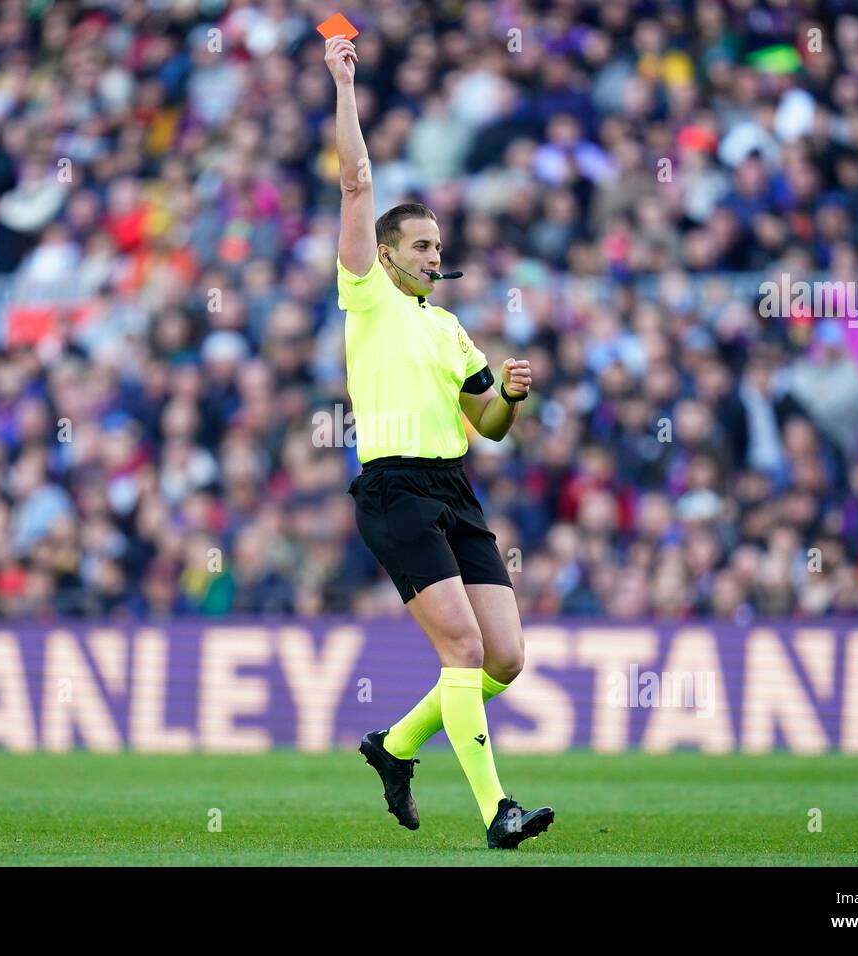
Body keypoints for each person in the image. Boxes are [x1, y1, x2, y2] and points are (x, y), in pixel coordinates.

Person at [325, 35, 553, 849]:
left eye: (439, 248)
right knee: (461, 646)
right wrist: (343, 83)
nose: (434, 256)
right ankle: (499, 811)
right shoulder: (368, 296)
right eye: (421, 246)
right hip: (392, 489)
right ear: (385, 254)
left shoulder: (453, 330)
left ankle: (392, 747)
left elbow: (487, 426)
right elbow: (357, 180)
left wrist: (513, 401)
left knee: (505, 658)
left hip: (455, 488)